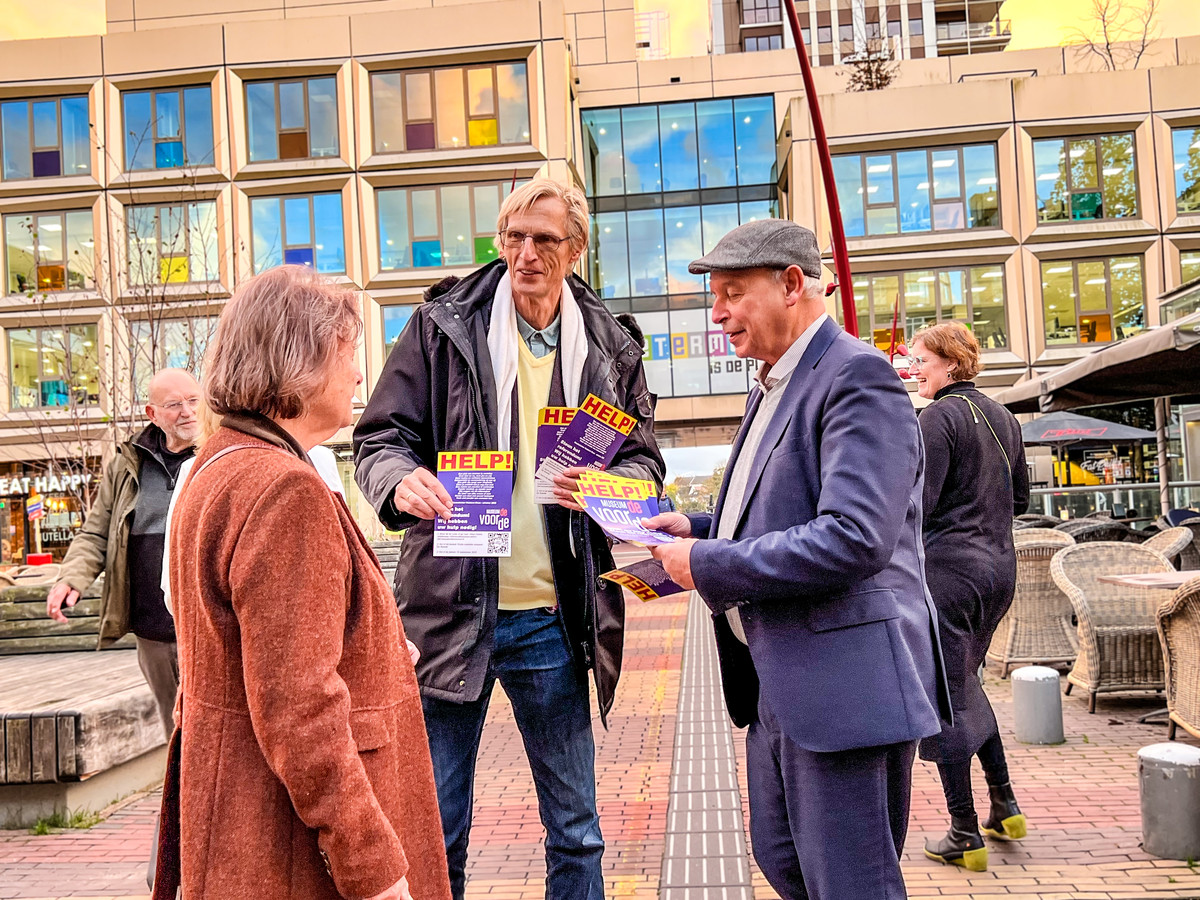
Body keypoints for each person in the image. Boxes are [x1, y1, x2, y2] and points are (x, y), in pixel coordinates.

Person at [354, 178, 664, 900]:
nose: (525, 254)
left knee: (577, 829)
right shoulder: (442, 327)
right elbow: (380, 436)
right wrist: (399, 480)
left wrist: (611, 487)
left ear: (575, 250)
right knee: (437, 829)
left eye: (545, 241)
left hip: (554, 620)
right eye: (513, 237)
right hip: (451, 613)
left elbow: (644, 459)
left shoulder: (612, 347)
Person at [644, 218, 948, 900]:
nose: (716, 313)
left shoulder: (857, 375)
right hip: (779, 684)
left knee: (850, 883)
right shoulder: (771, 383)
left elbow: (854, 535)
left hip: (842, 691)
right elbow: (777, 511)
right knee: (784, 863)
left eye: (731, 292)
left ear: (790, 284)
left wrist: (712, 562)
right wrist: (694, 527)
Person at [157, 266, 451, 900]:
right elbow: (299, 708)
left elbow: (249, 652)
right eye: (348, 354)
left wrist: (375, 653)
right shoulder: (285, 491)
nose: (356, 375)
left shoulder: (219, 467)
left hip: (239, 818)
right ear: (302, 361)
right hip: (287, 844)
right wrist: (372, 868)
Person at [908, 322, 1030, 872]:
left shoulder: (937, 418)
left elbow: (920, 505)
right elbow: (1021, 498)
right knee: (966, 681)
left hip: (949, 574)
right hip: (999, 571)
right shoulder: (1003, 416)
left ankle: (963, 830)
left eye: (923, 362)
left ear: (951, 365)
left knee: (946, 694)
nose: (915, 370)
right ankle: (1003, 804)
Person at [47, 368, 200, 739]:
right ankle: (180, 798)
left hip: (208, 625)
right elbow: (97, 530)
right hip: (154, 632)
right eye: (174, 404)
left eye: (194, 400)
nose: (188, 412)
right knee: (176, 733)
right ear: (153, 413)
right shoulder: (127, 464)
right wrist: (71, 578)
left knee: (217, 735)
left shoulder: (222, 453)